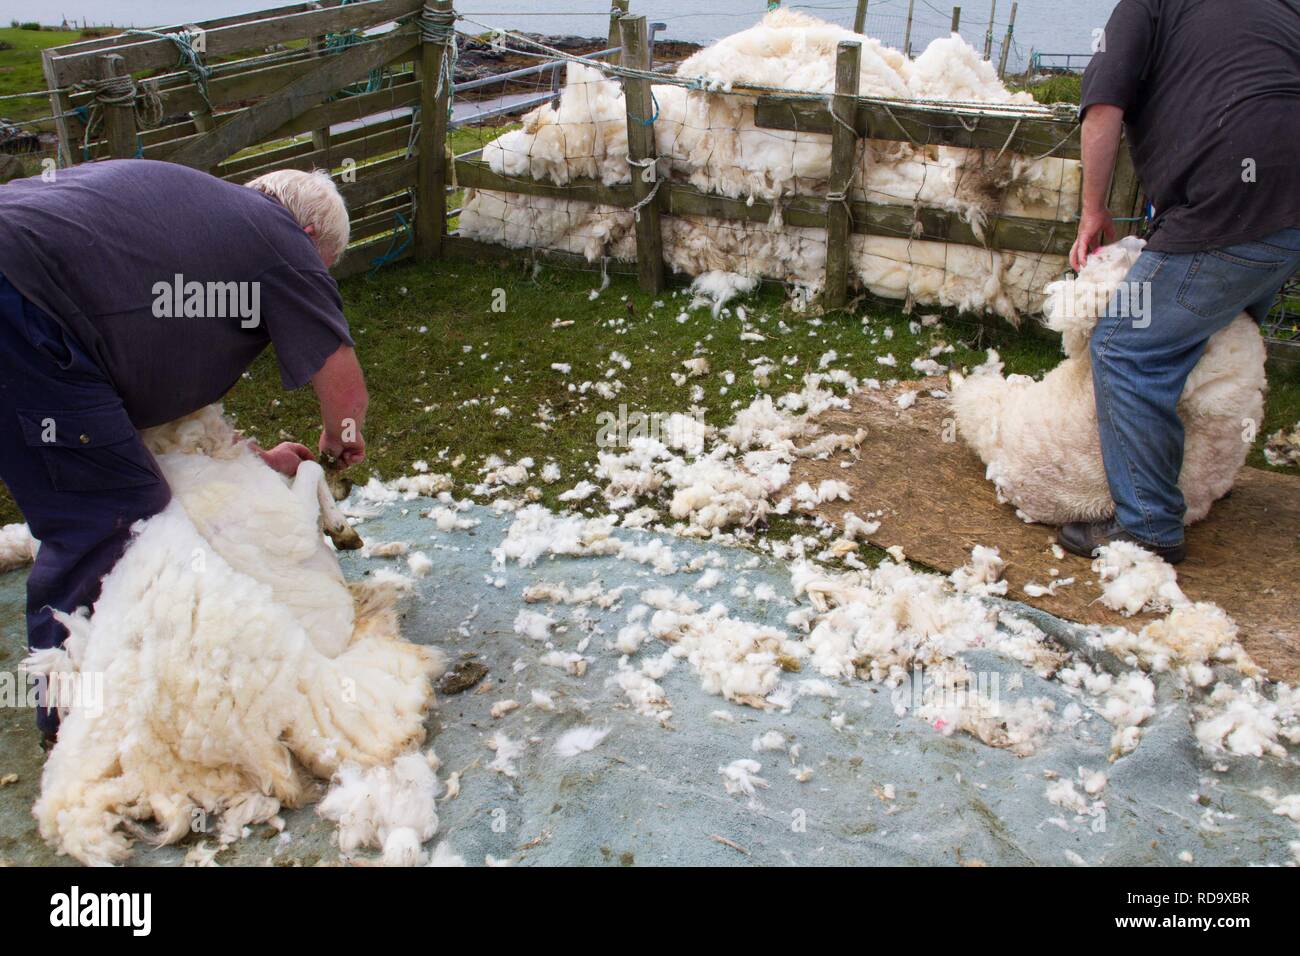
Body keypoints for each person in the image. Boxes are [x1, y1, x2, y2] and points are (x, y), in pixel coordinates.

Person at [0, 160, 368, 742]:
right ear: (309, 240)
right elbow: (344, 388)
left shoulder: (200, 220)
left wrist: (255, 461)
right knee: (107, 512)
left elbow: (158, 406)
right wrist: (338, 440)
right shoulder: (281, 239)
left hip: (23, 287)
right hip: (22, 304)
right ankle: (70, 719)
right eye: (320, 272)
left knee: (92, 471)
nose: (315, 285)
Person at [1061, 0, 1300, 564]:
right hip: (1287, 205)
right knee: (1222, 345)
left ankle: (1148, 525)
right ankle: (1198, 483)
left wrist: (1093, 209)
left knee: (1126, 344)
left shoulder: (1146, 4)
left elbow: (1102, 108)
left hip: (1228, 199)